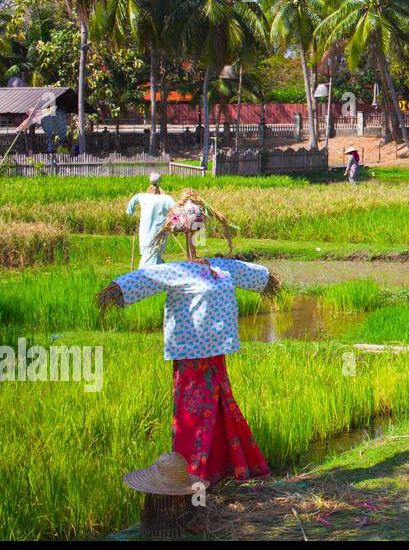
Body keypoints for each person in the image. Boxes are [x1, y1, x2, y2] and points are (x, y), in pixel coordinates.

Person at [97, 190, 275, 484]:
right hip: (190, 356)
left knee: (218, 406)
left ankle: (221, 469)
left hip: (215, 351)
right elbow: (145, 279)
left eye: (197, 225)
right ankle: (192, 473)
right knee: (193, 413)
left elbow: (251, 274)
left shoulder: (220, 269)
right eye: (193, 225)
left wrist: (268, 282)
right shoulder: (176, 271)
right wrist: (114, 291)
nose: (195, 231)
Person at [126, 173, 177, 267]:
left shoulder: (142, 196)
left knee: (151, 256)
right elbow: (178, 212)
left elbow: (131, 205)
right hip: (158, 235)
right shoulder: (166, 199)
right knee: (152, 259)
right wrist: (172, 222)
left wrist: (131, 213)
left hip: (146, 235)